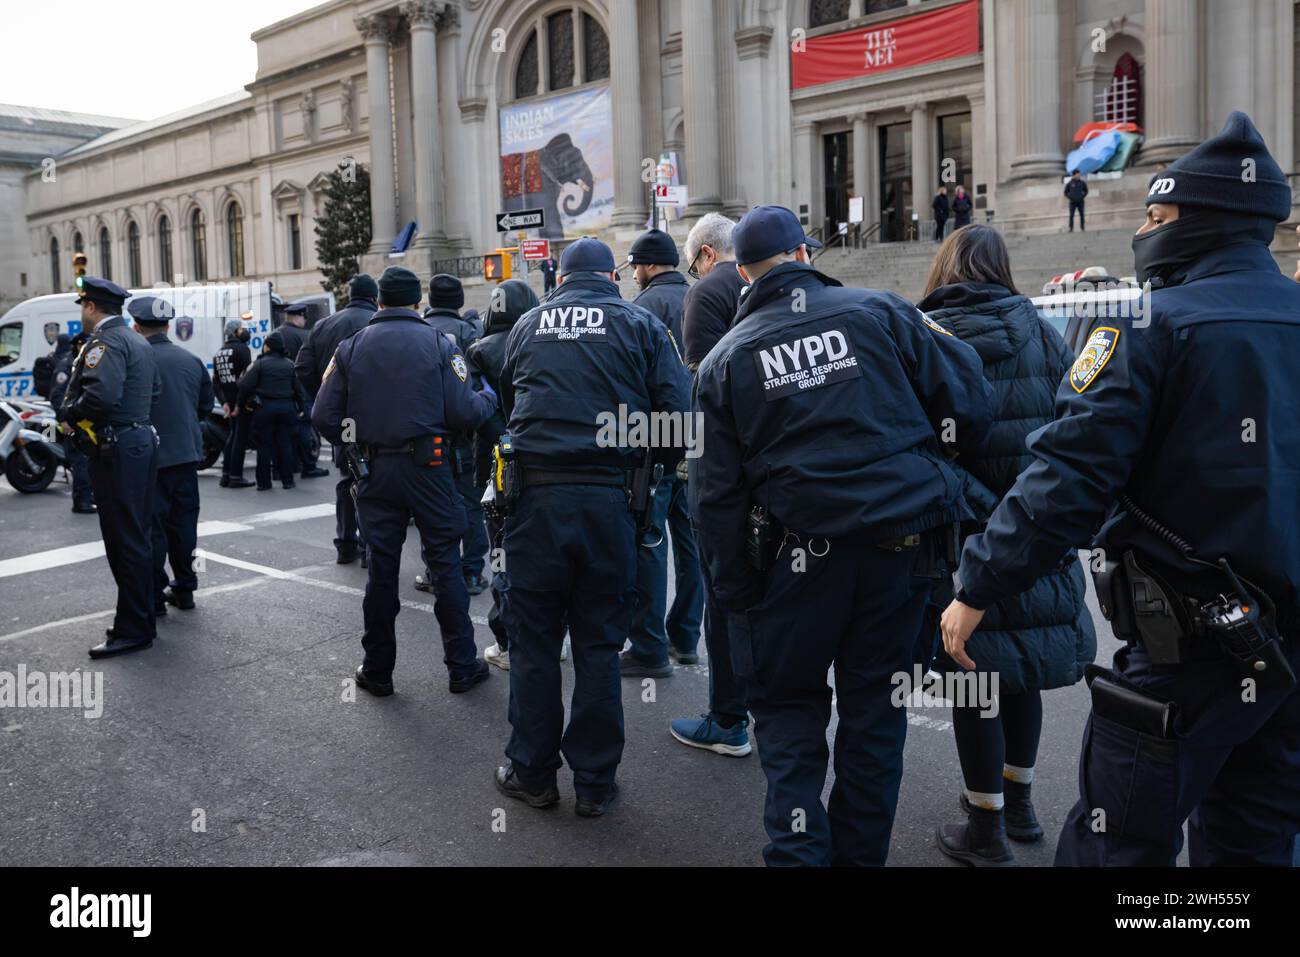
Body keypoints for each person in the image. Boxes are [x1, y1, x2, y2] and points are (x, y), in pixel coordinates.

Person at [941, 112, 1300, 868]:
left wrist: (979, 581)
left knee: (1117, 843)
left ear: (1200, 222)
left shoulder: (1147, 324)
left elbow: (1068, 471)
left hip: (1188, 648)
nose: (1144, 229)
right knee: (1255, 840)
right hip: (1287, 652)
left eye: (1156, 215)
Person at [691, 205, 993, 866]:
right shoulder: (882, 312)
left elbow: (713, 497)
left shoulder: (725, 360)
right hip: (899, 554)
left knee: (788, 714)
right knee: (875, 721)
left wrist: (736, 594)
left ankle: (799, 854)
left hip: (793, 566)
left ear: (742, 272)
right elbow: (968, 396)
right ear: (806, 255)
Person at [914, 225, 1095, 866]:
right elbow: (1076, 427)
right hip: (1037, 530)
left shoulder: (926, 335)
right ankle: (1021, 808)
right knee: (1021, 679)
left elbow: (917, 446)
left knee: (973, 680)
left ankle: (984, 827)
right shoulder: (1045, 331)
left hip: (965, 539)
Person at [494, 238, 691, 817]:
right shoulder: (640, 325)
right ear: (612, 274)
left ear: (559, 275)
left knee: (534, 643)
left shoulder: (529, 324)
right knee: (600, 646)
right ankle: (596, 783)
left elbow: (510, 403)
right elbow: (679, 424)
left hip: (535, 502)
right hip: (610, 502)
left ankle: (532, 773)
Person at [313, 266, 497, 696]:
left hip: (375, 472)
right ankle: (460, 666)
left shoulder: (350, 346)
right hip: (429, 469)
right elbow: (464, 413)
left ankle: (377, 670)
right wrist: (488, 397)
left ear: (379, 302)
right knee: (446, 567)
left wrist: (356, 443)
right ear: (418, 303)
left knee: (381, 571)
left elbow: (323, 415)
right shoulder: (440, 344)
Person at [671, 212, 754, 757]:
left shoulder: (707, 291)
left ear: (703, 255)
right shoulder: (762, 279)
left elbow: (701, 389)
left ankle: (728, 718)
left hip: (725, 471)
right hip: (776, 469)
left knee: (722, 597)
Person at [59, 277, 162, 659]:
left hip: (117, 446)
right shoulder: (137, 340)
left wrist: (70, 413)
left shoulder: (106, 342)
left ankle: (134, 628)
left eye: (82, 306)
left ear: (91, 307)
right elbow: (155, 393)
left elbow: (100, 396)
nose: (81, 313)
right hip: (137, 441)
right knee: (137, 533)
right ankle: (140, 615)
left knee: (124, 538)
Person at [621, 228, 703, 677]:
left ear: (650, 265)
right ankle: (686, 637)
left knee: (651, 539)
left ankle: (649, 644)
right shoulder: (701, 298)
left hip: (655, 439)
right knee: (691, 543)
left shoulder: (640, 309)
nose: (633, 273)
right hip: (702, 437)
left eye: (636, 264)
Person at [465, 278, 539, 670]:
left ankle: (508, 641)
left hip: (497, 464)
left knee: (502, 556)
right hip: (542, 461)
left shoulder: (480, 349)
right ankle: (547, 637)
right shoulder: (539, 339)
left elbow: (477, 411)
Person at [129, 297, 213, 615]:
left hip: (148, 458)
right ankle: (186, 587)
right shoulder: (191, 360)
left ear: (137, 327)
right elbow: (205, 407)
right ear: (168, 326)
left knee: (152, 530)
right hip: (186, 456)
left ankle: (154, 595)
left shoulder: (134, 360)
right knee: (184, 527)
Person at [296, 274, 379, 565]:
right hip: (374, 414)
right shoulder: (377, 323)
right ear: (374, 298)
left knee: (347, 478)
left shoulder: (323, 325)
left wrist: (324, 396)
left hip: (341, 417)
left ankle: (346, 543)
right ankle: (370, 547)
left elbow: (303, 367)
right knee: (374, 480)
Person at [418, 274, 490, 596]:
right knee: (470, 503)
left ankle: (436, 571)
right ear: (459, 301)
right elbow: (478, 384)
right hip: (463, 434)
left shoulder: (417, 332)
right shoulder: (470, 332)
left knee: (431, 505)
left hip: (424, 434)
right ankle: (472, 571)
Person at [237, 331, 307, 491]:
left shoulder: (260, 364)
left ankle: (264, 483)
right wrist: (302, 408)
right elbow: (299, 389)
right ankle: (288, 481)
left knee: (264, 446)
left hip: (265, 409)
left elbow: (245, 384)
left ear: (268, 347)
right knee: (285, 445)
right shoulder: (289, 364)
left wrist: (244, 398)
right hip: (287, 409)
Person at [48, 331, 96, 514]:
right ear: (78, 345)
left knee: (88, 461)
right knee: (80, 462)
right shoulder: (66, 366)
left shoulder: (83, 362)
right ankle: (82, 502)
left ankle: (89, 497)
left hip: (84, 422)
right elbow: (57, 396)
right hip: (70, 422)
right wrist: (64, 420)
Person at [278, 303, 327, 481]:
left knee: (285, 431)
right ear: (299, 317)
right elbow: (311, 365)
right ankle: (308, 465)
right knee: (305, 428)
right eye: (304, 318)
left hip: (280, 393)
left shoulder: (275, 334)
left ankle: (289, 465)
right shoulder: (305, 335)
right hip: (302, 390)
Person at [213, 318, 254, 489]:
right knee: (240, 439)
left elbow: (215, 382)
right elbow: (246, 380)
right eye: (241, 328)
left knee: (232, 437)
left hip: (229, 401)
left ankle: (226, 475)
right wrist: (240, 403)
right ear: (234, 332)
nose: (245, 331)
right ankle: (236, 476)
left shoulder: (220, 352)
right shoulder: (242, 349)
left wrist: (224, 403)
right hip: (241, 402)